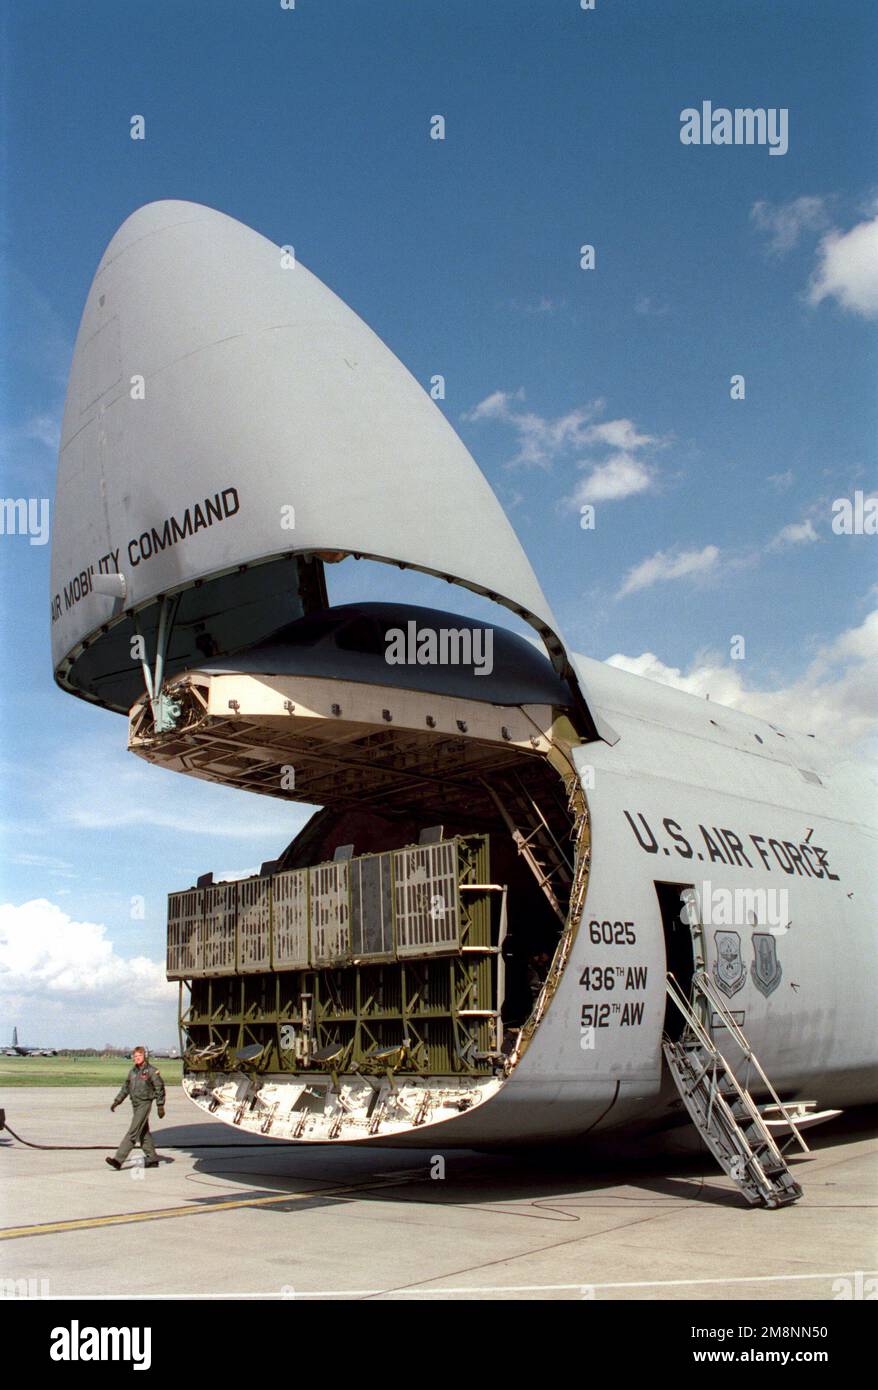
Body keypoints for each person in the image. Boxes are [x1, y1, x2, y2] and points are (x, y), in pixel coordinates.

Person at [105, 1045, 165, 1170]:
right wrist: (117, 1101)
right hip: (135, 1103)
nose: (137, 1058)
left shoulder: (152, 1071)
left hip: (145, 1103)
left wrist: (160, 1105)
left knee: (133, 1131)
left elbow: (159, 1087)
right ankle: (152, 1158)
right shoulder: (132, 1072)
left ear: (145, 1056)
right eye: (135, 1056)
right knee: (143, 1132)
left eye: (139, 1056)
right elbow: (126, 1088)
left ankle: (118, 1159)